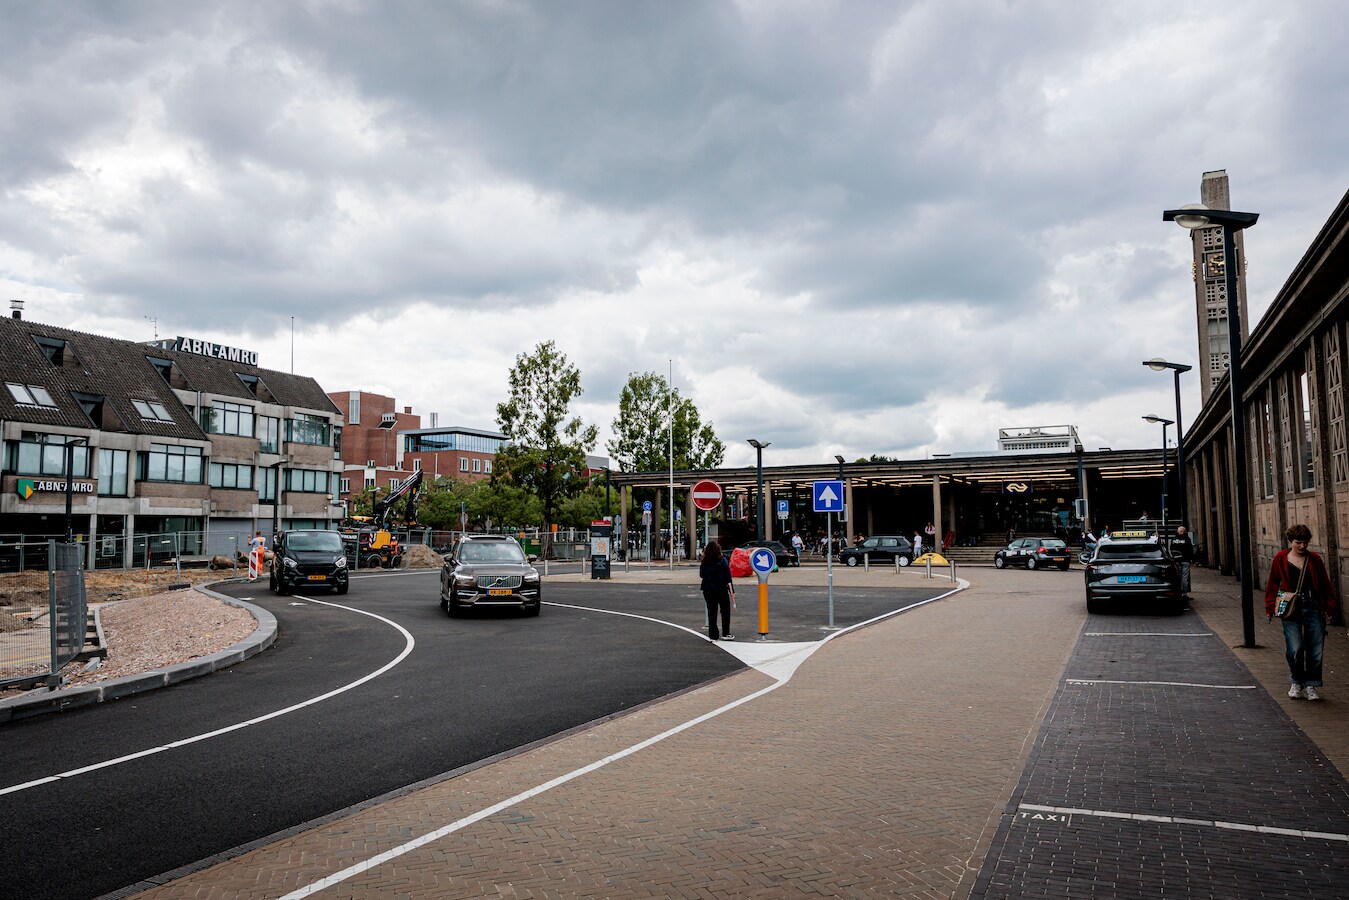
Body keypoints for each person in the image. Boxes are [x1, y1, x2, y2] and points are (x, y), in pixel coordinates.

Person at [1264, 524, 1339, 701]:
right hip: (1291, 608)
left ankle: (1311, 684)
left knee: (1315, 649)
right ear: (1291, 541)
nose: (1303, 546)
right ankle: (1297, 681)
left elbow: (1324, 583)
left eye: (1305, 543)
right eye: (1298, 542)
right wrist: (1270, 607)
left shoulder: (1314, 559)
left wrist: (1329, 606)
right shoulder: (1281, 558)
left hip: (1313, 605)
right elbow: (1272, 583)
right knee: (1295, 648)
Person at [699, 540, 735, 641]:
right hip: (721, 588)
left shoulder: (704, 561)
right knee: (725, 611)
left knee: (712, 612)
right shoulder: (723, 560)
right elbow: (728, 576)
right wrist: (732, 591)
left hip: (708, 589)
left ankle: (713, 635)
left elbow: (701, 575)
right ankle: (726, 633)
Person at [1169, 526, 1195, 599]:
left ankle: (1178, 593)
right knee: (1185, 577)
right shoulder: (1187, 540)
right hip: (1185, 560)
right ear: (1185, 532)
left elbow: (1171, 549)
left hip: (1176, 560)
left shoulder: (1173, 540)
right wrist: (1191, 559)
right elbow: (1190, 550)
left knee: (1178, 577)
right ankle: (1184, 594)